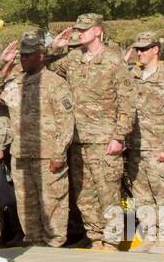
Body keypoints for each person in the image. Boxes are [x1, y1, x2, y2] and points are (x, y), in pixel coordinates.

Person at [46, 13, 135, 249]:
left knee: (108, 194)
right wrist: (54, 47)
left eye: (85, 29)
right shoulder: (73, 59)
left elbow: (127, 102)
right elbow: (47, 68)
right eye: (78, 29)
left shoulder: (114, 61)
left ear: (98, 31)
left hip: (104, 140)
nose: (79, 33)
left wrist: (119, 136)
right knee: (85, 196)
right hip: (78, 140)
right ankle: (96, 238)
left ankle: (113, 241)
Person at [0, 30, 74, 248]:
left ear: (41, 55)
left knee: (52, 206)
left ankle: (55, 246)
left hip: (47, 155)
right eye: (22, 55)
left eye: (29, 55)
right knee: (26, 206)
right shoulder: (15, 83)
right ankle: (34, 245)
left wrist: (59, 153)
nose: (24, 59)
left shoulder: (54, 83)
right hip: (21, 155)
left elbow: (65, 121)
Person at [126, 32, 164, 253]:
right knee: (141, 196)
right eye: (137, 49)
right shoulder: (131, 76)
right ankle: (149, 235)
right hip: (136, 148)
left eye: (144, 49)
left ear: (155, 50)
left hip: (159, 147)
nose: (139, 53)